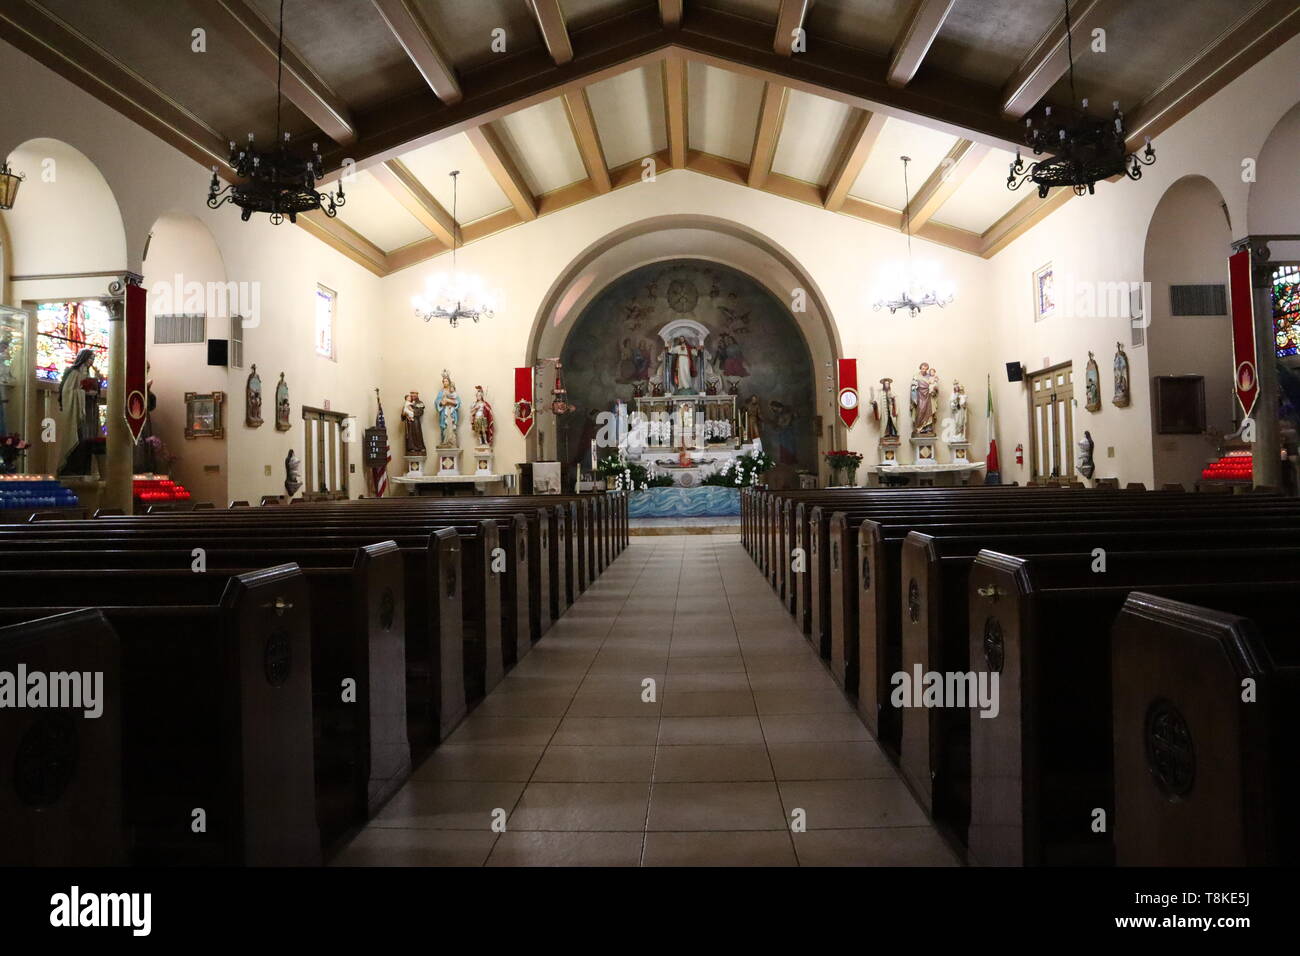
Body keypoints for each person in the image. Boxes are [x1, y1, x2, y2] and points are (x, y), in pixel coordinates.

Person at [57, 348, 101, 475]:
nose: (92, 361)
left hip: (88, 413)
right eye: (90, 358)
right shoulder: (74, 372)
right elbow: (67, 392)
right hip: (77, 413)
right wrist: (84, 393)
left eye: (93, 359)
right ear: (83, 358)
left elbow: (93, 392)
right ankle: (72, 469)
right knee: (78, 439)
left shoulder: (88, 374)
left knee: (87, 441)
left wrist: (95, 388)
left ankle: (85, 469)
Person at [436, 371, 462, 447]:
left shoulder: (452, 391)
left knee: (451, 427)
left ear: (449, 382)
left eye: (446, 381)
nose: (445, 382)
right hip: (444, 412)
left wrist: (449, 401)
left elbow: (458, 402)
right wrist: (440, 403)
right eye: (444, 381)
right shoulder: (441, 392)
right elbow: (437, 401)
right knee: (444, 427)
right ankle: (444, 442)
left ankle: (451, 442)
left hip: (451, 412)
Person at [401, 391, 426, 455]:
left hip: (416, 421)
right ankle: (411, 448)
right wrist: (404, 414)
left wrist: (413, 411)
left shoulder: (420, 403)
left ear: (417, 395)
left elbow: (420, 412)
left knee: (417, 433)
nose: (413, 396)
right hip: (408, 422)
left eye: (415, 394)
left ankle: (419, 447)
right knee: (410, 435)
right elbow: (403, 413)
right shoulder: (408, 402)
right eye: (412, 395)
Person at [470, 384, 495, 448]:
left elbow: (489, 410)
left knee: (484, 430)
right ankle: (480, 441)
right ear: (476, 396)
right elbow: (471, 412)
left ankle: (485, 441)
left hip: (482, 418)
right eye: (478, 395)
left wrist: (487, 409)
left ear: (482, 396)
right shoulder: (475, 404)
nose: (479, 397)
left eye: (480, 395)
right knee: (478, 431)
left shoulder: (484, 403)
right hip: (477, 419)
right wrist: (476, 408)